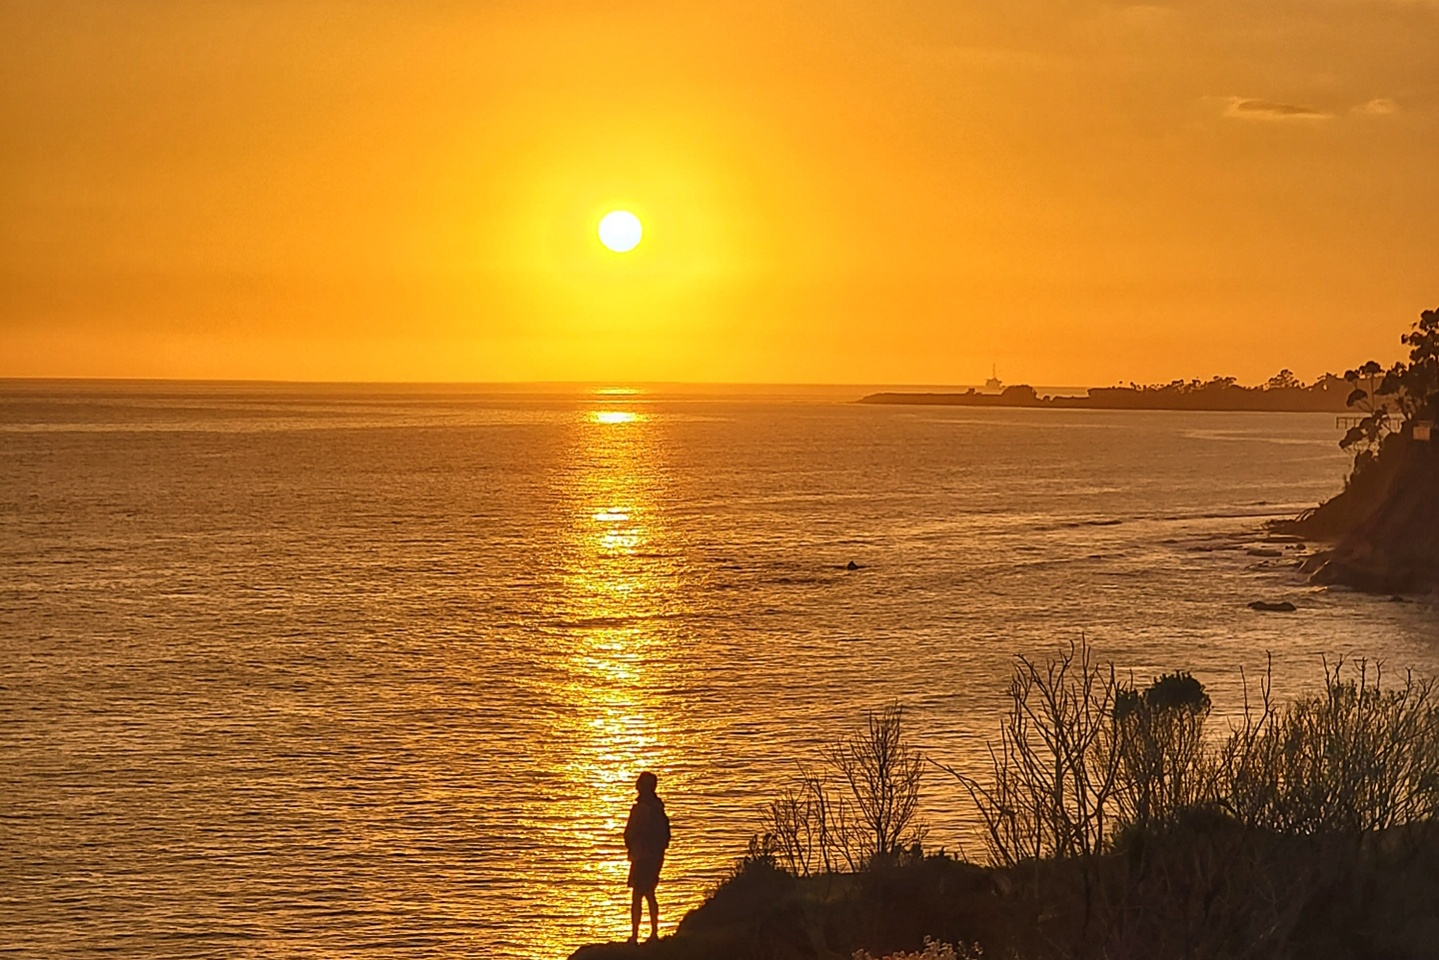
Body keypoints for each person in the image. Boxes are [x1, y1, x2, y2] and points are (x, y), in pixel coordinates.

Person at [623, 771, 670, 943]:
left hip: (642, 855)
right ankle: (653, 933)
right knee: (650, 893)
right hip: (655, 856)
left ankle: (635, 935)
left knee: (638, 896)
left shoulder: (642, 808)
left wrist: (629, 842)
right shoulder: (658, 806)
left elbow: (632, 831)